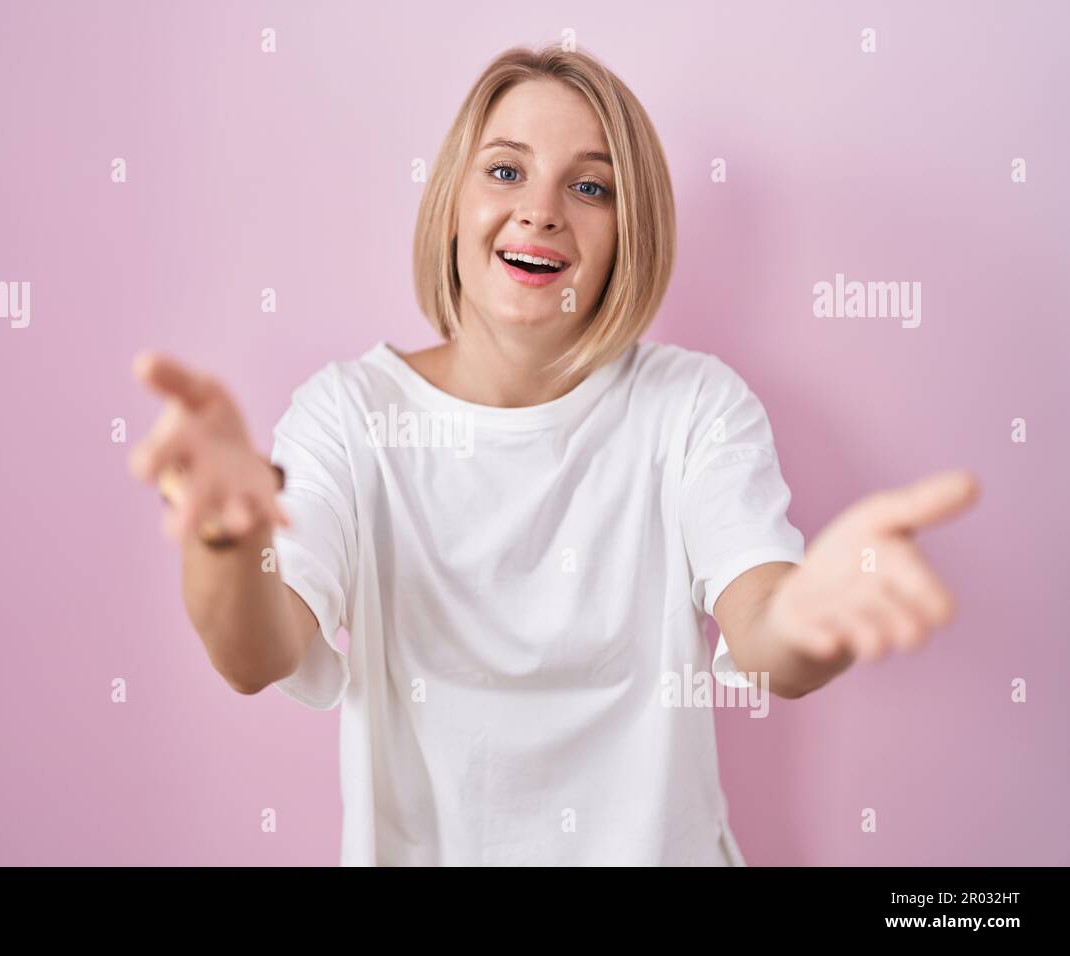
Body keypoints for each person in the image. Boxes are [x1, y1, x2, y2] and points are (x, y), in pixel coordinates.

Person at [127, 44, 979, 866]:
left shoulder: (692, 408)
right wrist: (226, 542)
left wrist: (803, 617)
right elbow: (257, 654)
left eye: (589, 186)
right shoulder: (349, 414)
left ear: (626, 234)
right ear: (453, 206)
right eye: (505, 170)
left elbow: (766, 635)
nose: (541, 209)